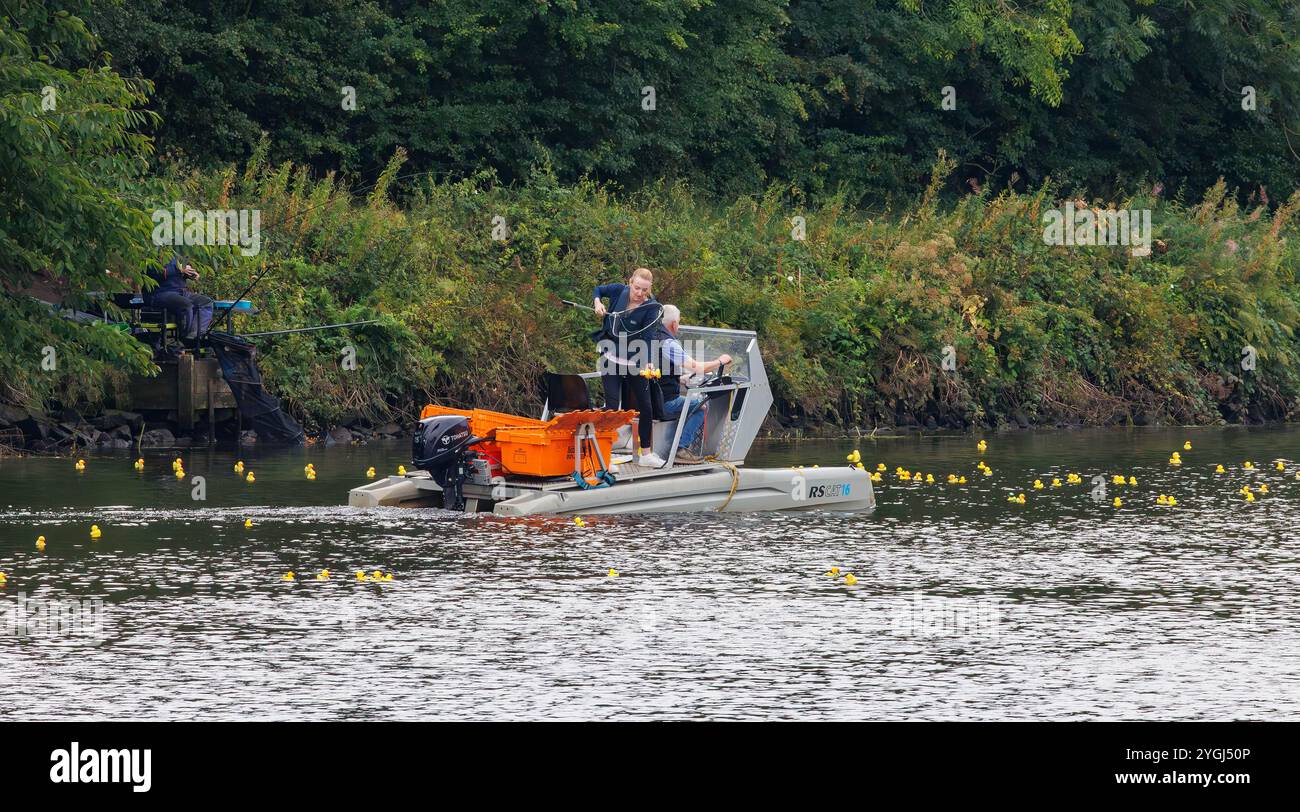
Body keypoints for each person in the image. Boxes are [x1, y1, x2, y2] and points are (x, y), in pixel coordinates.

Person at [591, 267, 665, 467]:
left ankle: (646, 455)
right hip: (611, 358)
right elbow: (598, 289)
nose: (640, 293)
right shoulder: (617, 290)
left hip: (635, 360)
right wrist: (597, 303)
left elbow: (649, 337)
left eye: (645, 290)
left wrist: (649, 360)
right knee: (612, 408)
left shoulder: (651, 307)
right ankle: (603, 457)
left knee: (646, 407)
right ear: (630, 282)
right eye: (637, 288)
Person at [653, 304, 731, 464]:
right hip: (663, 402)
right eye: (679, 322)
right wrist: (720, 361)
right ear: (674, 323)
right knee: (701, 407)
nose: (678, 325)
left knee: (689, 403)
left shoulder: (652, 337)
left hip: (650, 398)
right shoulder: (669, 343)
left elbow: (658, 369)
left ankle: (677, 447)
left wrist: (680, 379)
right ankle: (680, 449)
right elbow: (698, 367)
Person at [144, 255, 213, 343]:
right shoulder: (152, 254)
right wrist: (179, 269)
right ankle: (184, 340)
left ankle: (195, 336)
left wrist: (190, 274)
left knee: (206, 302)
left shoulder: (175, 255)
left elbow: (178, 274)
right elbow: (157, 273)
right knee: (186, 304)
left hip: (180, 292)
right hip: (160, 293)